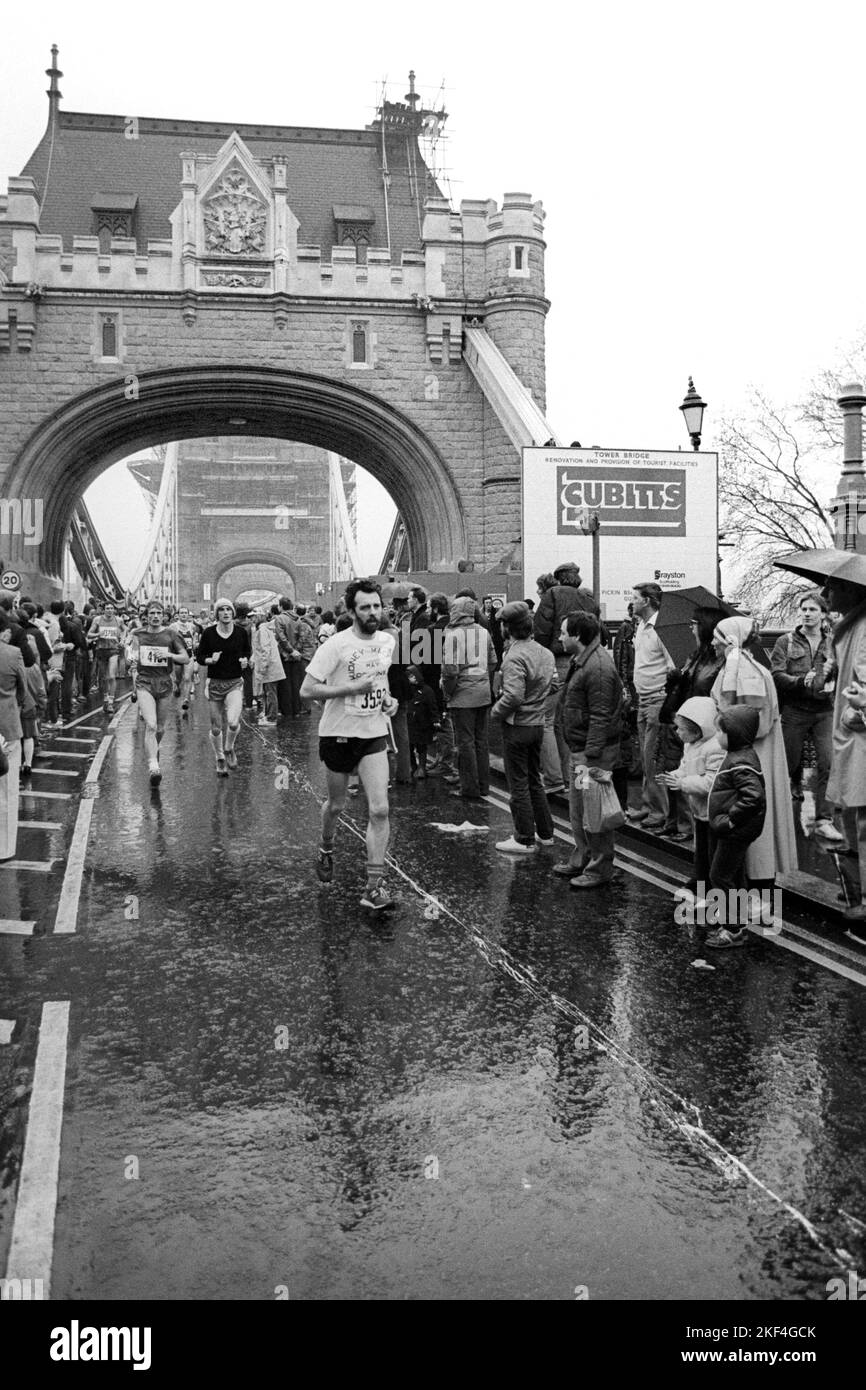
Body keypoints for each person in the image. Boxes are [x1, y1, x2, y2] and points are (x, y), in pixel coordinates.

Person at [300, 578, 399, 910]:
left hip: (373, 732)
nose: (373, 612)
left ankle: (374, 886)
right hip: (338, 733)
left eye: (376, 606)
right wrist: (348, 690)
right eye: (365, 607)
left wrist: (389, 701)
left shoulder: (388, 640)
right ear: (352, 611)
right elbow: (307, 690)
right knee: (337, 806)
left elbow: (380, 680)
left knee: (380, 808)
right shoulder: (336, 645)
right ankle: (327, 846)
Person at [709, 616, 796, 890]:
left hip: (750, 756)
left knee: (751, 824)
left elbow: (751, 721)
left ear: (730, 640)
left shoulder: (744, 670)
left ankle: (753, 894)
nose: (712, 642)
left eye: (717, 637)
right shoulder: (742, 666)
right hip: (750, 754)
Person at [555, 611, 623, 889]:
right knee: (579, 810)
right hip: (581, 748)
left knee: (595, 814)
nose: (560, 637)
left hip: (591, 753)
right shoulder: (582, 660)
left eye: (563, 633)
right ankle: (582, 856)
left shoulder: (597, 667)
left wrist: (591, 757)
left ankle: (599, 868)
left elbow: (601, 714)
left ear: (577, 636)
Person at [770, 591, 841, 841]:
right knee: (786, 764)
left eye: (813, 609)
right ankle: (774, 817)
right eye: (804, 609)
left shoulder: (834, 642)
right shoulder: (785, 641)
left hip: (824, 710)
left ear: (823, 614)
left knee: (828, 764)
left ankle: (824, 819)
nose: (808, 614)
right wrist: (801, 681)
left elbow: (844, 672)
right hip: (795, 710)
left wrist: (832, 679)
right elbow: (776, 675)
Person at [490, 601, 556, 854]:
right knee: (533, 780)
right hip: (538, 724)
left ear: (508, 627)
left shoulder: (514, 656)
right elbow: (553, 686)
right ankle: (546, 833)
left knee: (517, 783)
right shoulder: (545, 653)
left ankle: (524, 838)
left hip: (517, 726)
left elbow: (514, 696)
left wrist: (496, 713)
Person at [703, 705, 767, 948]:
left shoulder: (740, 761)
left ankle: (733, 930)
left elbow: (754, 797)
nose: (717, 736)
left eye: (721, 731)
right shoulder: (739, 755)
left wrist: (731, 819)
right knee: (732, 876)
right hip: (736, 829)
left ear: (735, 733)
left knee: (719, 875)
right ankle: (734, 921)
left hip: (736, 830)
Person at [823, 575, 866, 922]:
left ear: (851, 590)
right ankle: (855, 894)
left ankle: (859, 900)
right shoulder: (852, 626)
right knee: (850, 819)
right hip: (851, 739)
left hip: (858, 740)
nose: (825, 593)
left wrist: (852, 716)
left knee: (856, 821)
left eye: (831, 587)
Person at [657, 697, 725, 900]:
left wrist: (683, 784)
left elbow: (712, 782)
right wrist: (675, 776)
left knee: (713, 855)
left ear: (698, 730)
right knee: (701, 852)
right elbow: (685, 767)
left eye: (682, 729)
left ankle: (711, 893)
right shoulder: (691, 744)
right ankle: (698, 883)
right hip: (699, 811)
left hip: (714, 813)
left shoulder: (715, 748)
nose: (677, 733)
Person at [627, 582, 675, 829]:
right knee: (646, 757)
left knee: (653, 757)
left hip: (657, 699)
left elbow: (672, 665)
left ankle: (658, 810)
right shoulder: (641, 627)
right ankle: (648, 805)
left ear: (646, 601)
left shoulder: (660, 629)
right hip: (643, 699)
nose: (632, 601)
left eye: (635, 597)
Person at [127, 600, 190, 785]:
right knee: (151, 725)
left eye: (158, 613)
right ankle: (153, 766)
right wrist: (130, 655)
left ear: (164, 616)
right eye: (152, 613)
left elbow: (185, 658)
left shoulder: (171, 634)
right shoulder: (137, 633)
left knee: (161, 728)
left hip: (164, 683)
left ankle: (155, 748)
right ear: (146, 616)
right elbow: (130, 654)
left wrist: (169, 655)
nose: (155, 616)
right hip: (144, 682)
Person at [441, 595, 496, 801]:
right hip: (483, 693)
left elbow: (450, 671)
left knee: (466, 744)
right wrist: (485, 683)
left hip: (462, 695)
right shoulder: (484, 632)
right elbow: (492, 662)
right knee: (482, 742)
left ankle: (469, 788)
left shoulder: (454, 635)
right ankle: (484, 786)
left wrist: (448, 691)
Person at [196, 598, 252, 776]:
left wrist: (245, 660)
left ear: (233, 613)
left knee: (234, 723)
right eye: (222, 610)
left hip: (234, 682)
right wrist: (209, 660)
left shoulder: (241, 632)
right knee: (216, 727)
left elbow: (246, 651)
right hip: (214, 684)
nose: (226, 612)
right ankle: (220, 757)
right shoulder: (209, 633)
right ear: (217, 614)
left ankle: (228, 748)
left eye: (229, 609)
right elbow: (199, 656)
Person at [0, 615, 27, 859]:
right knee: (7, 788)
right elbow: (23, 689)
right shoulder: (12, 653)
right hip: (6, 724)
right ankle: (4, 849)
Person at [87, 601, 125, 714]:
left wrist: (122, 640)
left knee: (111, 676)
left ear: (114, 610)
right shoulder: (97, 620)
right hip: (101, 650)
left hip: (113, 650)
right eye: (107, 608)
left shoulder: (118, 620)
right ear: (103, 610)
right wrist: (99, 634)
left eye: (111, 608)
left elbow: (125, 629)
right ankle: (105, 698)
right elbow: (89, 634)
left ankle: (110, 702)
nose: (110, 610)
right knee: (103, 678)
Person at [406, 666, 439, 778]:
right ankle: (413, 766)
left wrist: (435, 720)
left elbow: (433, 707)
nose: (411, 679)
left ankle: (421, 768)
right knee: (409, 747)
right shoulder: (409, 690)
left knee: (421, 747)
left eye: (412, 676)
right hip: (410, 724)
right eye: (409, 676)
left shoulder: (427, 691)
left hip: (423, 725)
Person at [169, 606, 199, 710]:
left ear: (188, 614)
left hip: (189, 656)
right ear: (178, 615)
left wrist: (195, 644)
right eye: (181, 613)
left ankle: (185, 699)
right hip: (178, 656)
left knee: (187, 678)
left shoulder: (192, 626)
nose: (183, 615)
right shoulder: (173, 626)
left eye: (185, 613)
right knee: (178, 678)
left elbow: (194, 639)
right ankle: (176, 686)